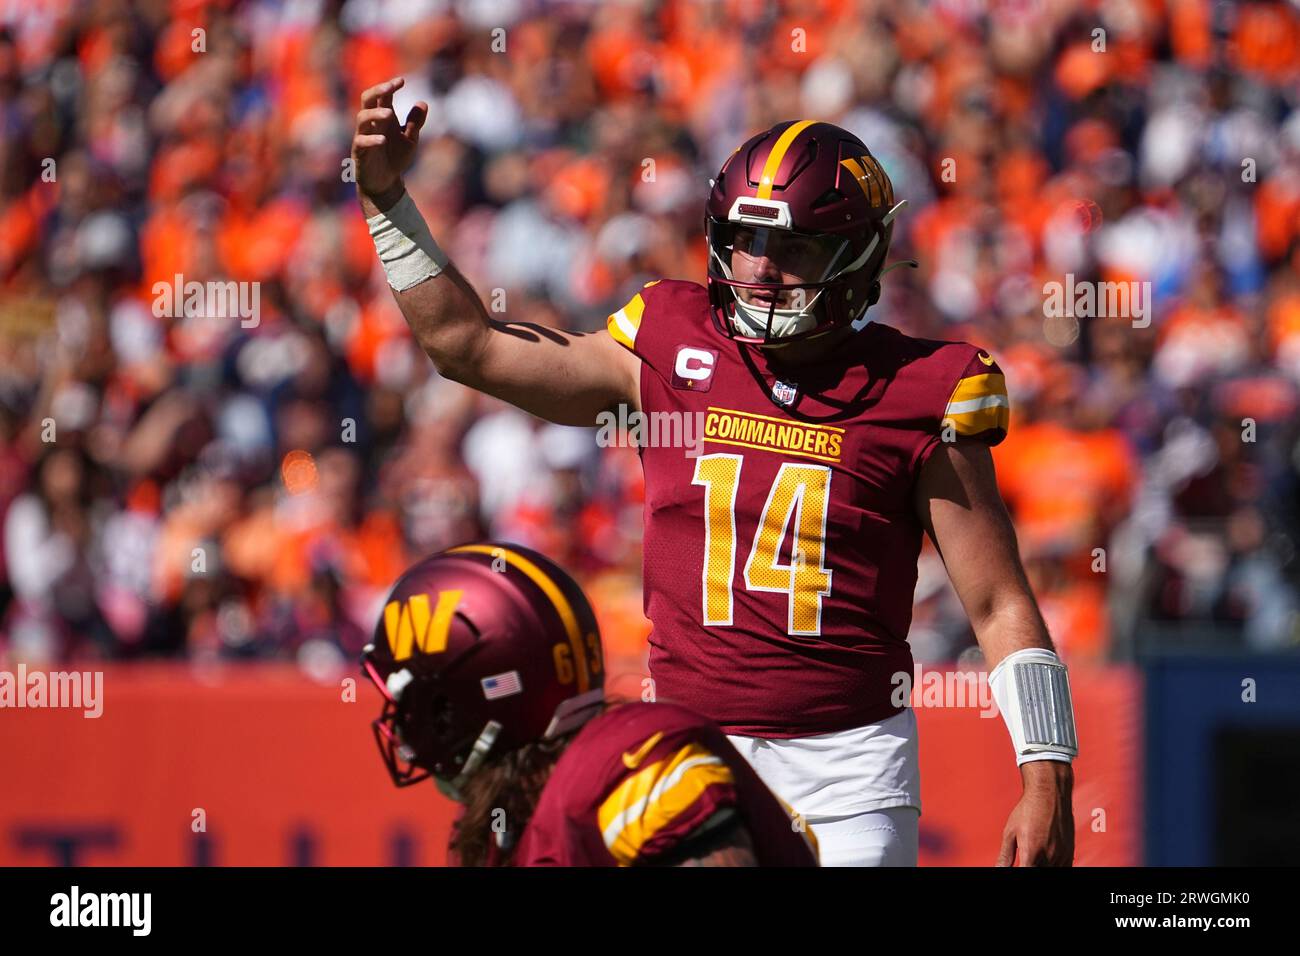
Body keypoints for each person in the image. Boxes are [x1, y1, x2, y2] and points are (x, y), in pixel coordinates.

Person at [352, 79, 1077, 866]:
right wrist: (388, 198)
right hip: (683, 753)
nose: (761, 268)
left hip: (847, 774)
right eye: (745, 239)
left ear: (857, 254)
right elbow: (467, 346)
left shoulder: (923, 388)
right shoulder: (668, 339)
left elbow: (999, 602)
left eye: (792, 246)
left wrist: (1048, 778)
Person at [362, 542, 819, 866]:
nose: (400, 725)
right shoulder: (501, 820)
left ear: (453, 707)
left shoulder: (631, 775)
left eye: (413, 704)